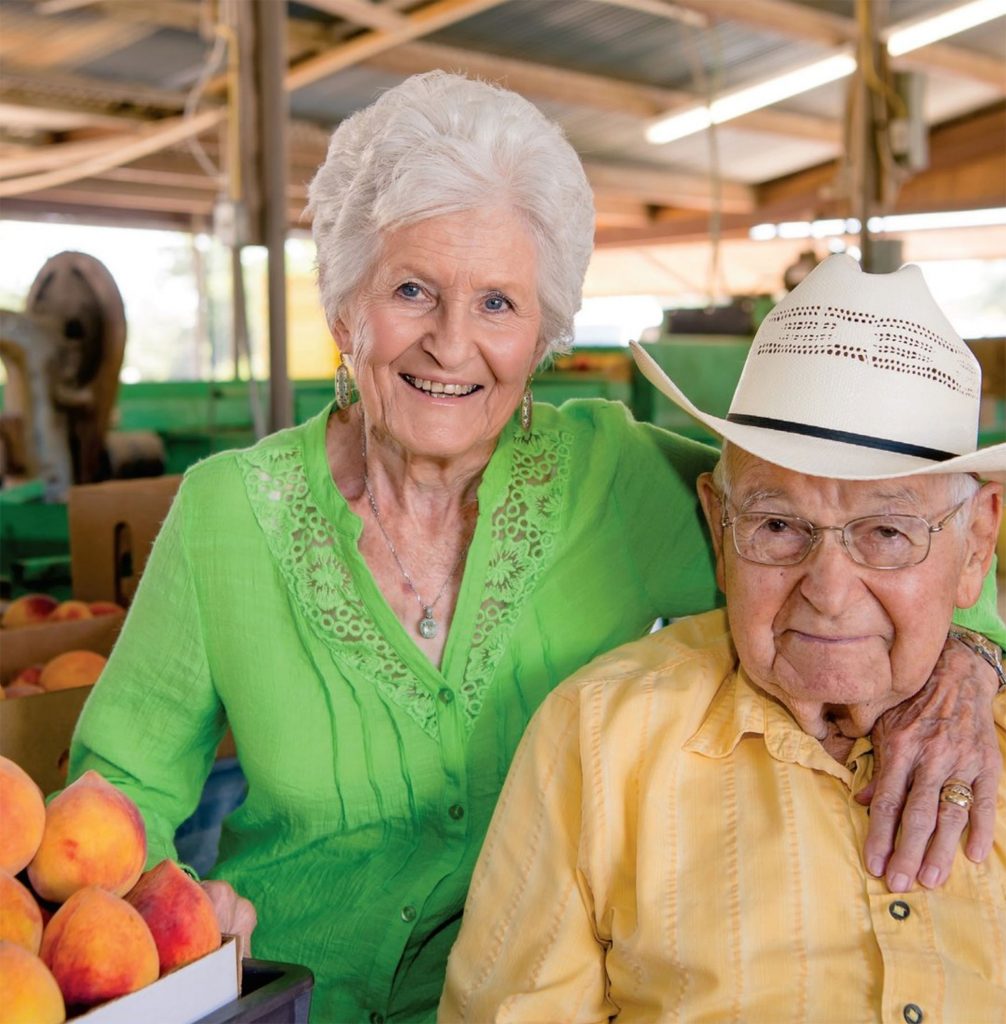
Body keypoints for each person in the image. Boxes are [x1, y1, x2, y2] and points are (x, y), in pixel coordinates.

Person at [66, 75, 1002, 1023]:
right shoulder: (226, 513)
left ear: (544, 331)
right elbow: (119, 786)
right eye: (412, 291)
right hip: (289, 997)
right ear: (345, 307)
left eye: (498, 304)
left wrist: (972, 661)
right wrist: (174, 909)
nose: (450, 345)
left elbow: (854, 528)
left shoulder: (613, 475)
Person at [439, 253, 1006, 1023]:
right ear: (717, 525)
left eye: (886, 532)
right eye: (777, 526)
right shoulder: (603, 740)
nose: (829, 592)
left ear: (977, 546)